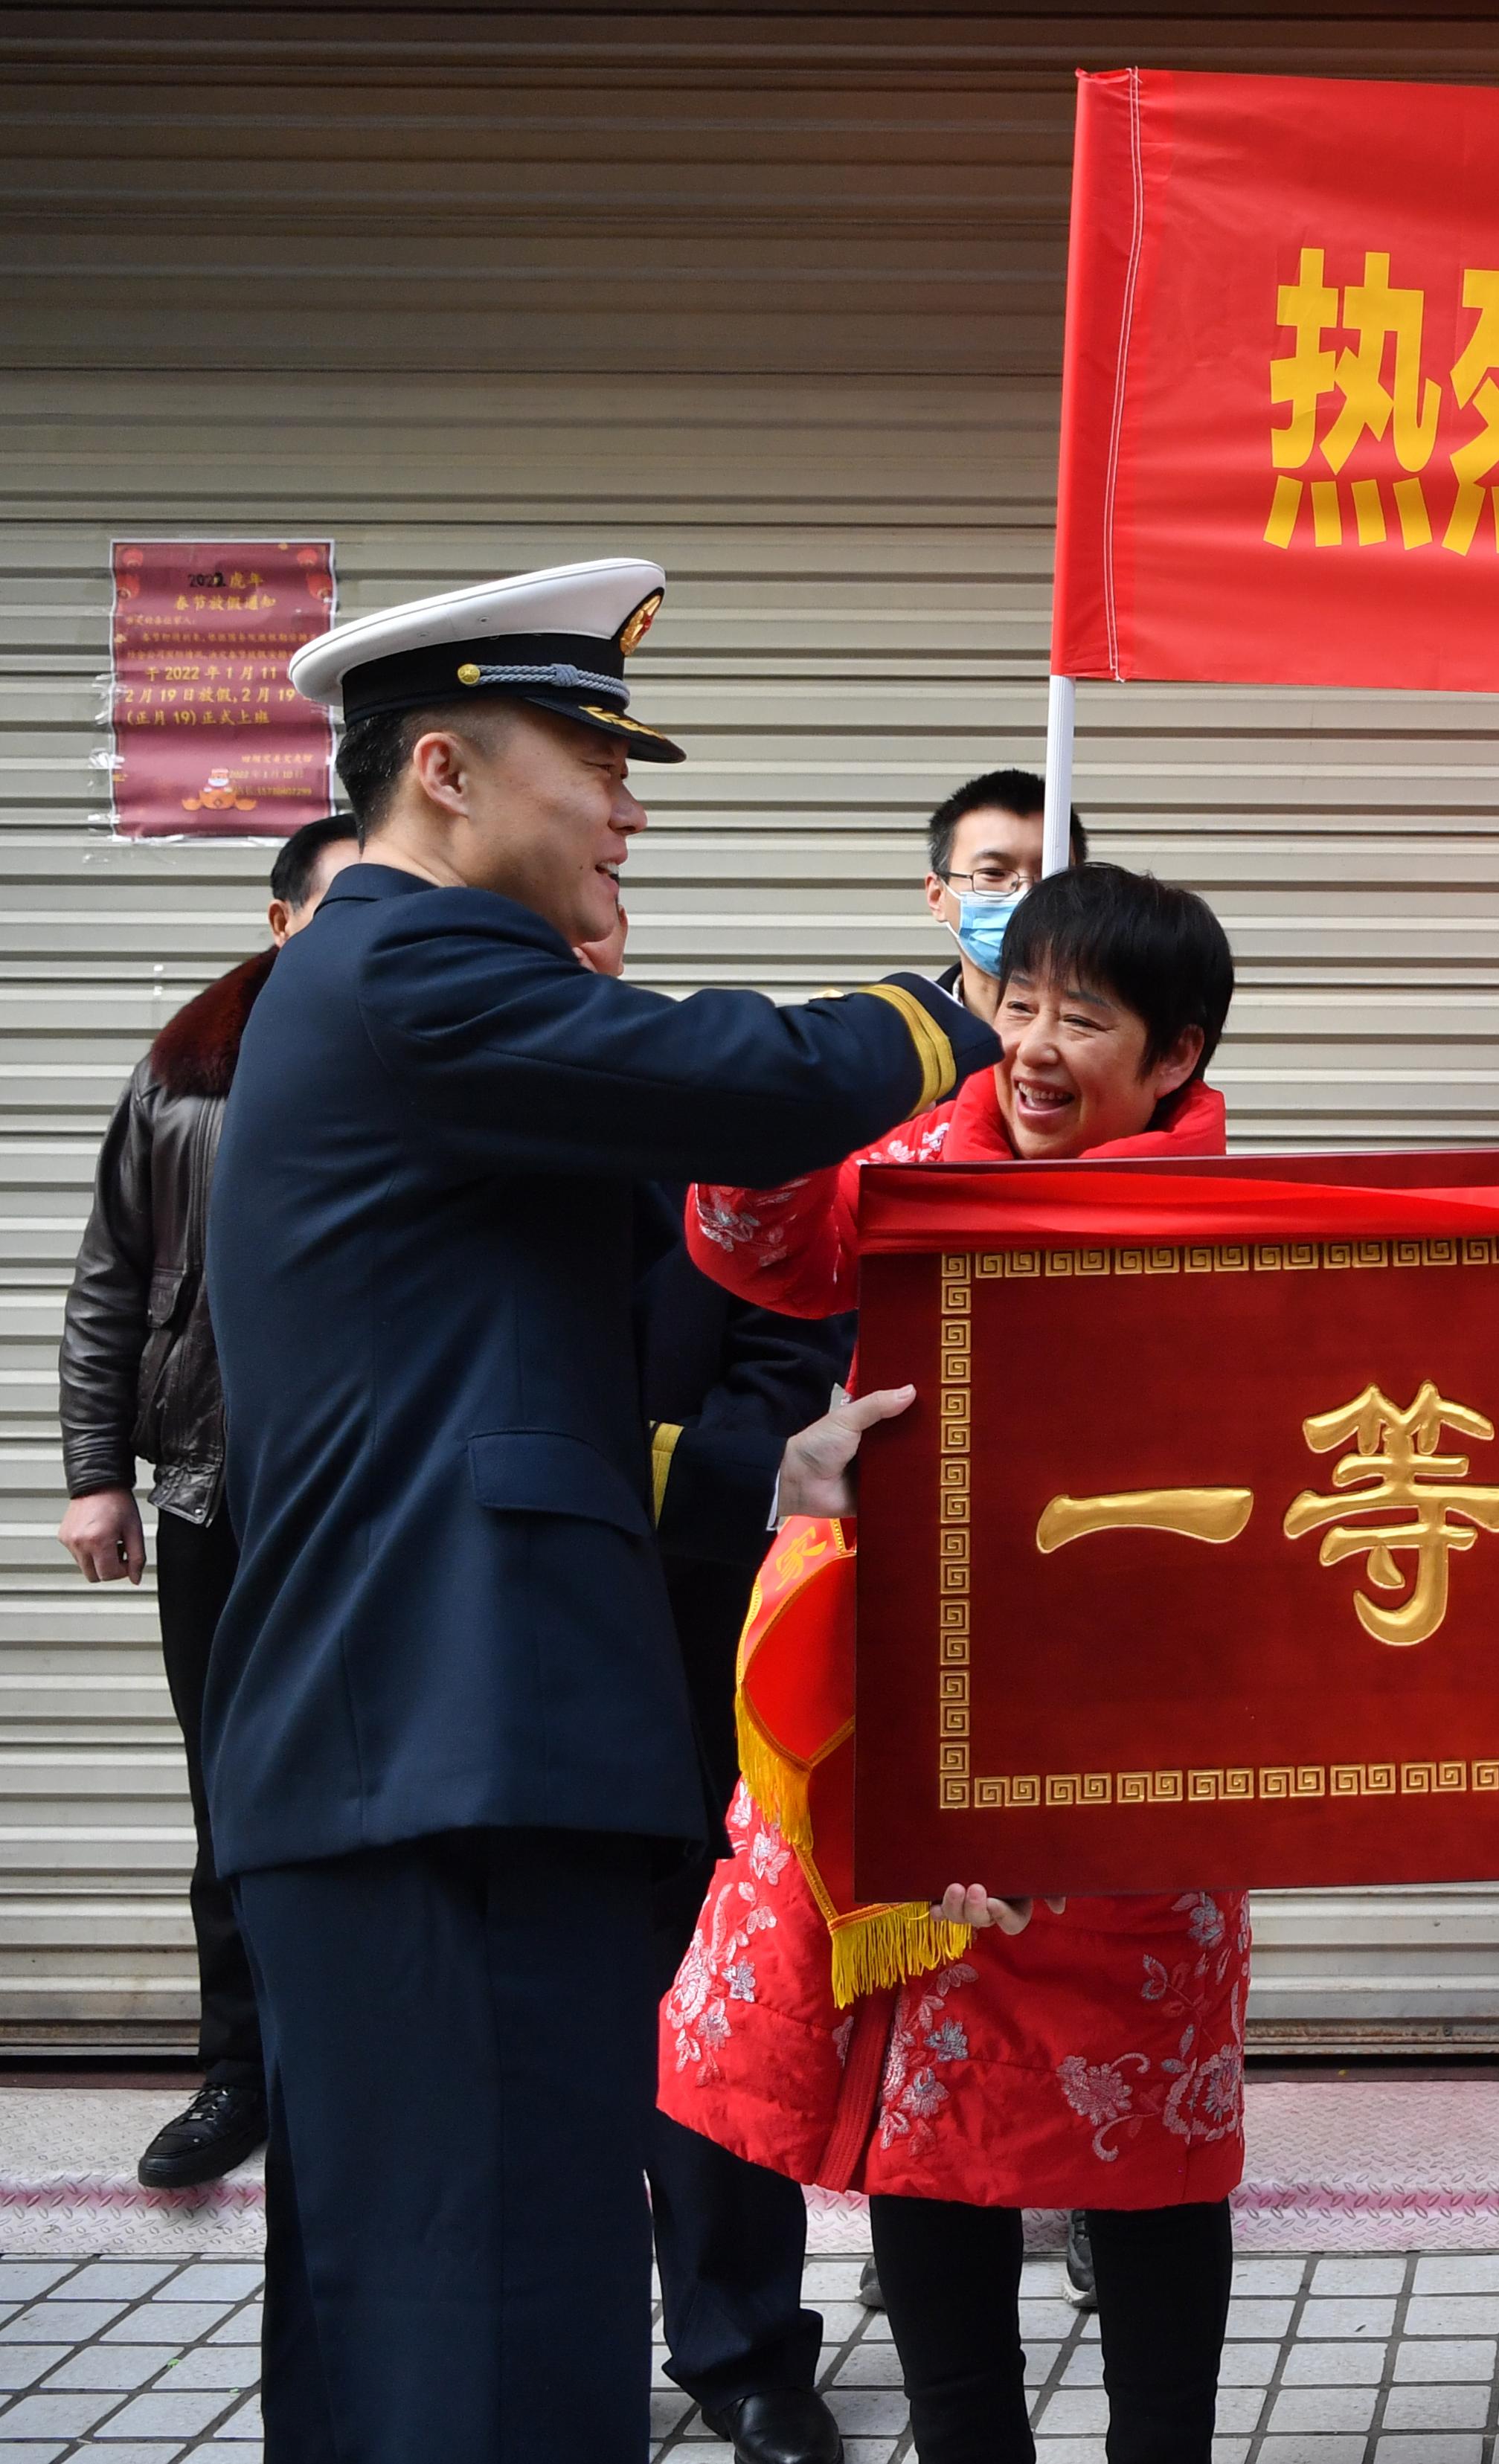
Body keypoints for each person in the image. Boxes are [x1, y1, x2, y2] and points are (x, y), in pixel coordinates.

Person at [207, 558, 998, 2464]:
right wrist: (962, 997)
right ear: (448, 773)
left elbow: (500, 1405)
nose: (628, 803)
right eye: (593, 756)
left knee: (396, 2301)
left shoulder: (388, 998)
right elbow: (747, 1079)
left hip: (412, 1760)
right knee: (496, 2311)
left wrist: (763, 1469)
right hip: (446, 1755)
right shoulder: (407, 961)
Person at [671, 861, 1244, 2464]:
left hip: (1123, 1740)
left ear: (1174, 1059)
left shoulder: (1230, 1227)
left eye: (1087, 1018)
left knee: (1145, 2143)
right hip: (901, 1710)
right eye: (1020, 1005)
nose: (1040, 1046)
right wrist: (838, 1069)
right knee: (923, 2124)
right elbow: (749, 1238)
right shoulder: (918, 1162)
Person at [568, 907, 860, 2464]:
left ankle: (744, 2346)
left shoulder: (711, 1136)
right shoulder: (424, 1132)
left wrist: (651, 1484)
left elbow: (784, 1352)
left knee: (714, 1985)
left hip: (687, 1628)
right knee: (537, 2013)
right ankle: (552, 2346)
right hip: (493, 1643)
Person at [58, 810, 358, 2189]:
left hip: (375, 1494)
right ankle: (240, 2068)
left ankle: (362, 2057)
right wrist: (94, 1473)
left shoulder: (427, 1061)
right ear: (283, 918)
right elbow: (113, 1278)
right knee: (228, 1788)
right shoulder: (186, 1074)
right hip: (214, 1486)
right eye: (343, 905)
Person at [923, 767, 1088, 1023]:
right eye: (994, 873)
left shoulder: (1128, 1044)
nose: (1026, 897)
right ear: (937, 896)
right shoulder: (895, 1043)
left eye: (1050, 875)